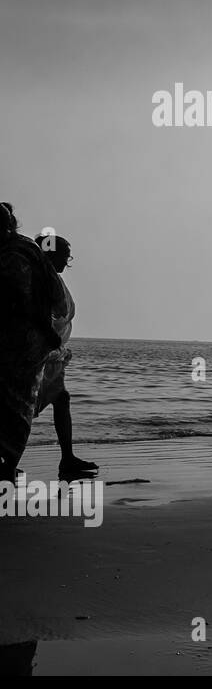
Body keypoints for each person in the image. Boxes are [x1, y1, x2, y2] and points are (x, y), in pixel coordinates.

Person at [0, 203, 64, 483]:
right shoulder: (26, 248)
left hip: (19, 342)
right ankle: (6, 467)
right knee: (19, 406)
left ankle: (5, 469)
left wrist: (45, 331)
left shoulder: (14, 256)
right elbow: (57, 297)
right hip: (31, 342)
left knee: (13, 406)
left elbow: (23, 299)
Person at [33, 235, 97, 479]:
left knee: (60, 399)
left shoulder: (53, 280)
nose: (66, 262)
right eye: (64, 256)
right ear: (50, 254)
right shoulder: (39, 281)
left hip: (52, 356)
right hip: (38, 354)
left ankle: (67, 458)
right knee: (21, 408)